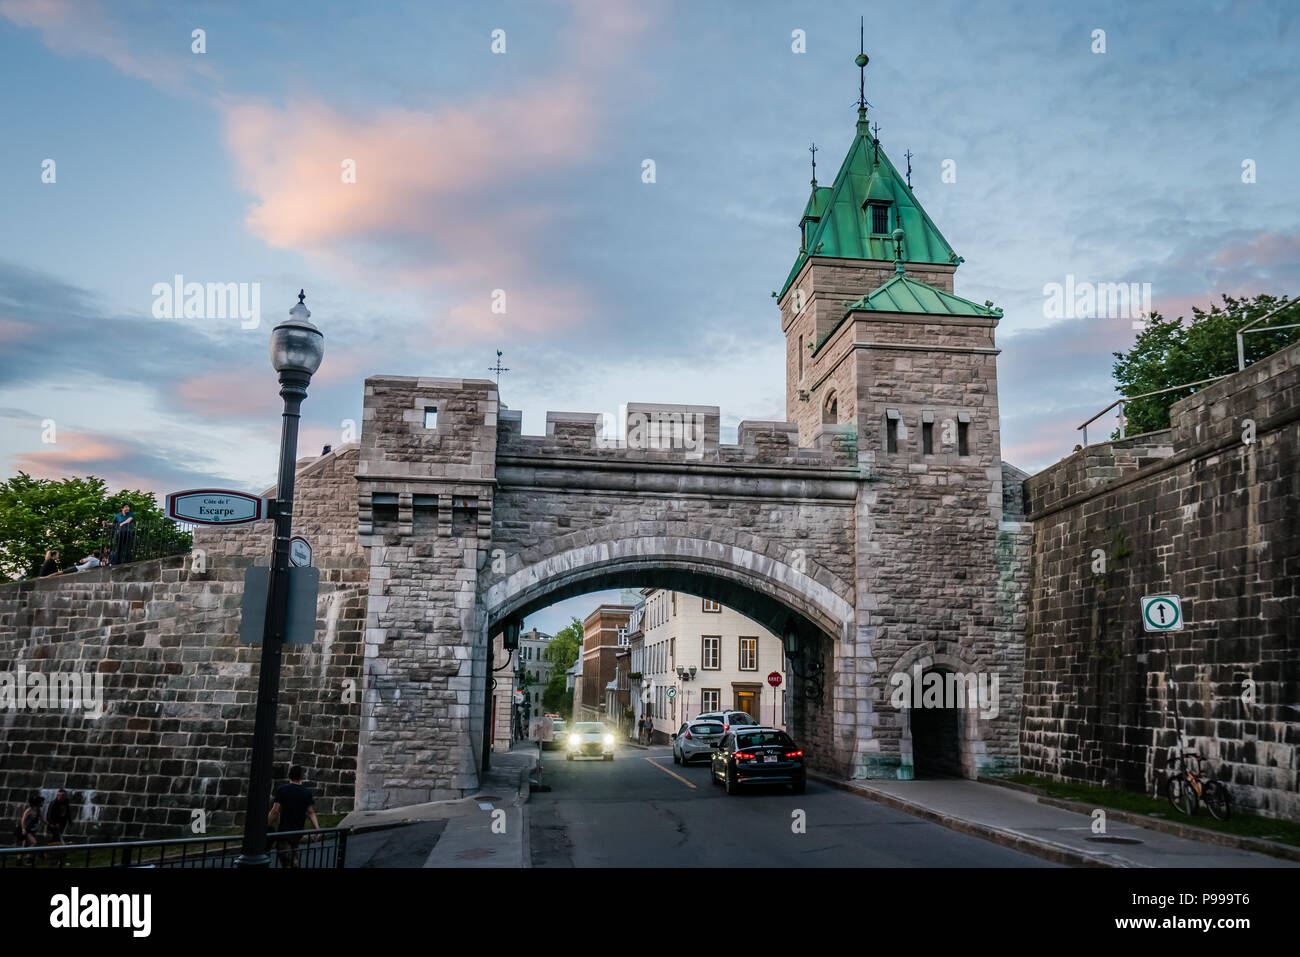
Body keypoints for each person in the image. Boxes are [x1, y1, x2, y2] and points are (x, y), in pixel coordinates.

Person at [268, 765, 319, 868]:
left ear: (289, 776)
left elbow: (275, 811)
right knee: (295, 864)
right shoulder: (306, 792)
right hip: (297, 834)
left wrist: (265, 825)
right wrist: (317, 829)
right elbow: (310, 812)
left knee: (286, 864)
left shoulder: (282, 790)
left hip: (284, 834)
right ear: (301, 777)